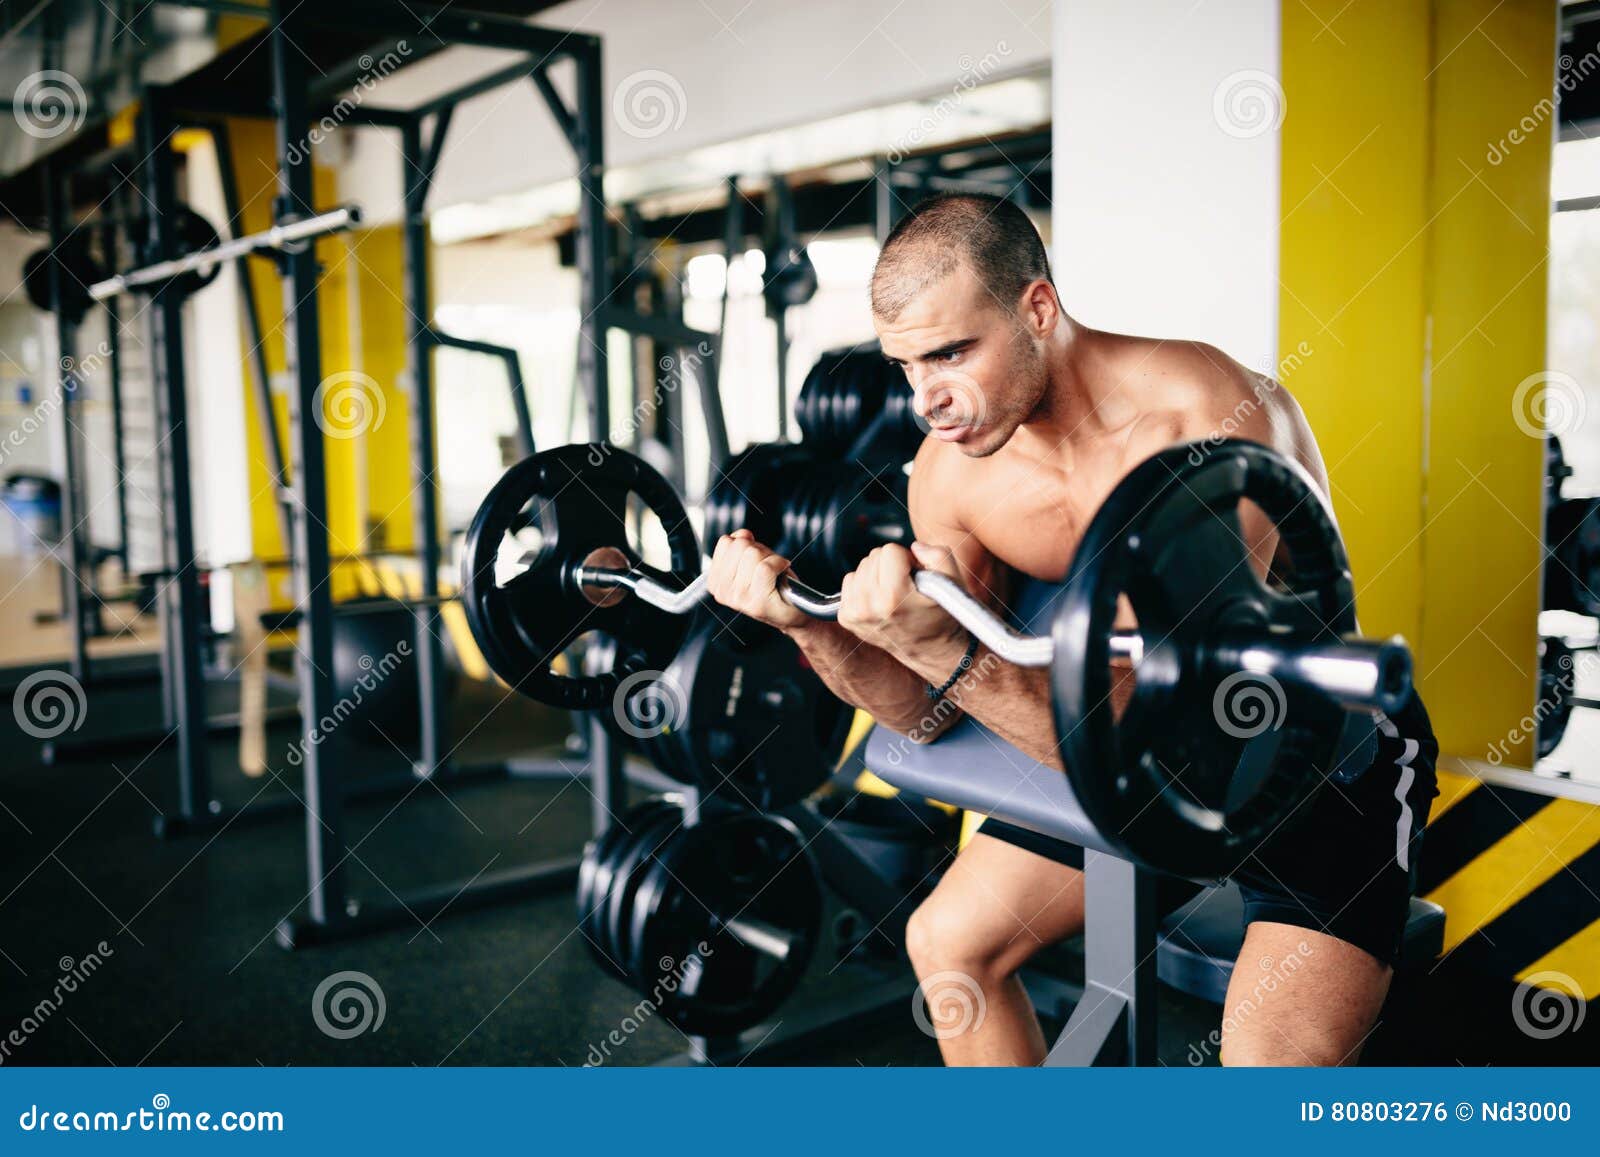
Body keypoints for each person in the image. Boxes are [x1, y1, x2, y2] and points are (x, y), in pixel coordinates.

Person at [704, 194, 1438, 1066]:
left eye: (951, 353)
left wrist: (948, 651)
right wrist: (811, 630)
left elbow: (1172, 745)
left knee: (1266, 1071)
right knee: (948, 944)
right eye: (905, 366)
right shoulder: (952, 475)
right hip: (1124, 762)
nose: (927, 400)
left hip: (1313, 768)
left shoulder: (1205, 421)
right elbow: (926, 716)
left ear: (1039, 309)